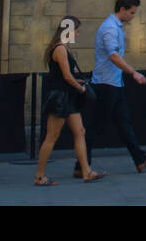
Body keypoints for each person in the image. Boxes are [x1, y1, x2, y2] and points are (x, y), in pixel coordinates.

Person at [82, 0, 146, 176]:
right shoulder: (110, 28)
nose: (133, 16)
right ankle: (81, 166)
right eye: (132, 13)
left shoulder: (116, 27)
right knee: (94, 126)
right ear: (123, 10)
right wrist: (133, 73)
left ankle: (140, 160)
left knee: (123, 123)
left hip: (113, 83)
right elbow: (113, 55)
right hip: (105, 84)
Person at [35, 17, 106, 185]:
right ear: (68, 30)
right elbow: (66, 76)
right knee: (52, 136)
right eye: (77, 30)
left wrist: (77, 83)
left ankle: (86, 171)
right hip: (61, 97)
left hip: (67, 96)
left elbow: (67, 75)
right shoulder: (60, 49)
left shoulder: (64, 47)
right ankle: (39, 176)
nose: (78, 34)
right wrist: (80, 87)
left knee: (80, 131)